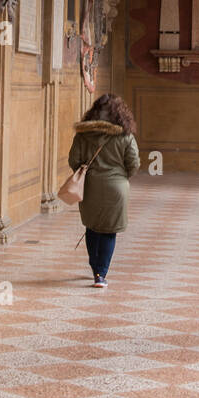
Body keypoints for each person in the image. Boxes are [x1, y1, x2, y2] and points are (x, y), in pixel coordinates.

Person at [68, 93, 139, 288]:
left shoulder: (83, 134)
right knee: (109, 231)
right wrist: (119, 176)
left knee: (92, 227)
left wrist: (86, 172)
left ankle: (95, 268)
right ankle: (101, 273)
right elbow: (133, 164)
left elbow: (74, 160)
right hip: (117, 188)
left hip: (90, 186)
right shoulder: (125, 135)